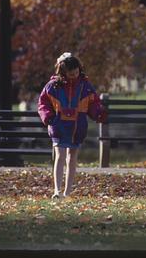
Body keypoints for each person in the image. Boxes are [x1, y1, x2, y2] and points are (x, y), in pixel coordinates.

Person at [37, 52, 107, 199]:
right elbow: (43, 103)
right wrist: (47, 116)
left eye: (76, 72)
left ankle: (67, 192)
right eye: (71, 74)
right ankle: (57, 190)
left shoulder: (85, 86)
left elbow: (93, 102)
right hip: (58, 125)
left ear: (79, 69)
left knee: (72, 157)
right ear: (63, 72)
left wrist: (98, 113)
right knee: (60, 156)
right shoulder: (53, 86)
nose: (74, 76)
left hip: (77, 126)